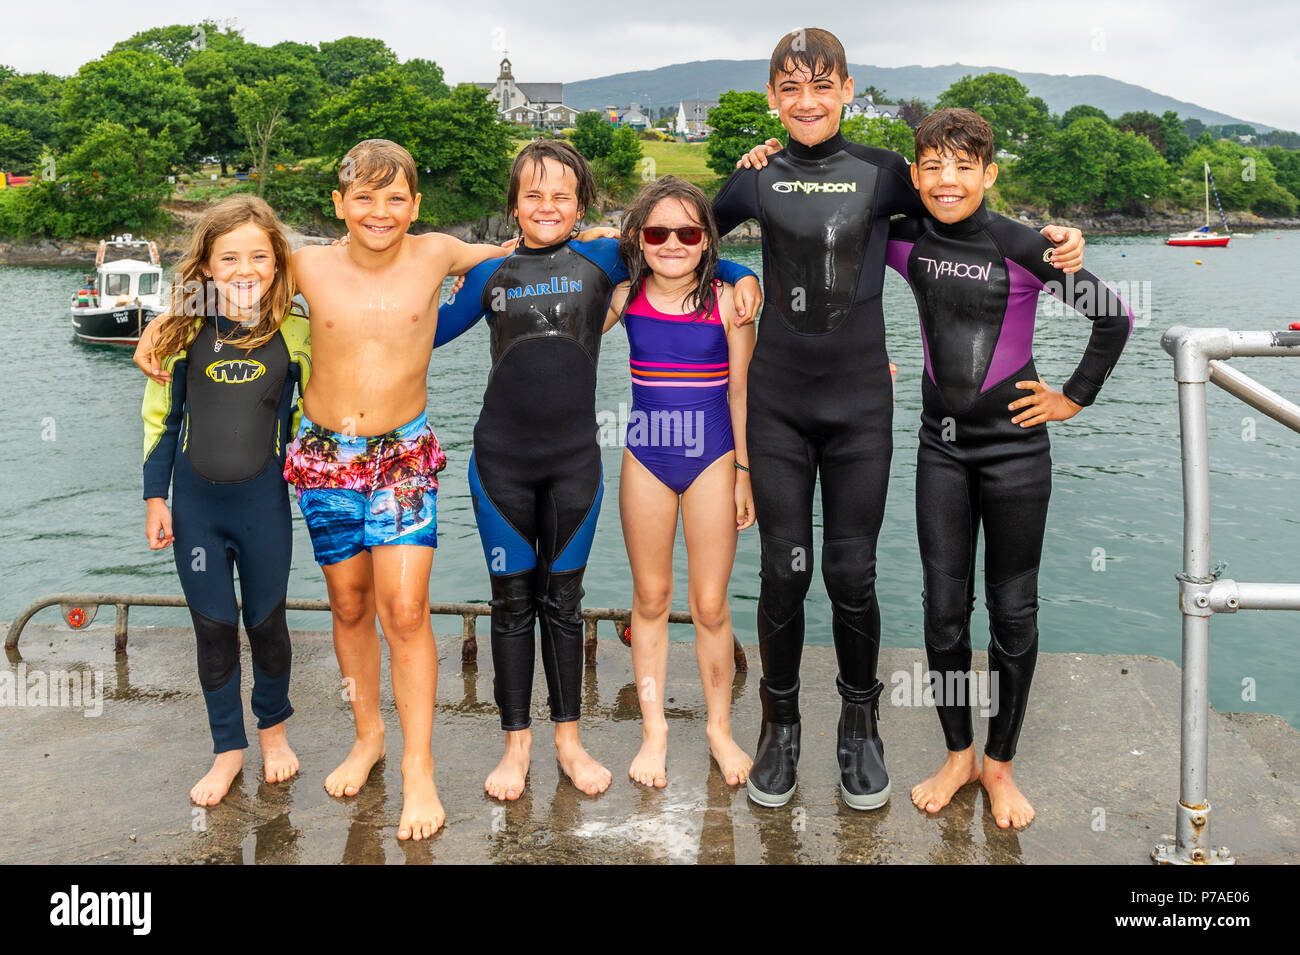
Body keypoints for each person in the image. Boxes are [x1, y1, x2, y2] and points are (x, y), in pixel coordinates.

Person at [717, 27, 1086, 810]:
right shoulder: (753, 178)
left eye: (822, 85)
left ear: (848, 90)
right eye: (790, 87)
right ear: (773, 96)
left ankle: (861, 724)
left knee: (852, 572)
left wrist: (1055, 241)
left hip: (860, 406)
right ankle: (779, 724)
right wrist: (738, 272)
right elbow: (681, 242)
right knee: (784, 571)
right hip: (778, 404)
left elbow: (960, 216)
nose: (807, 101)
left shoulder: (885, 173)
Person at [432, 144, 759, 801]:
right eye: (532, 195)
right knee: (565, 603)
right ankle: (578, 738)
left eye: (561, 196)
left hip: (646, 457)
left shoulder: (654, 276)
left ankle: (648, 736)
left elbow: (691, 269)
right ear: (514, 205)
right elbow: (435, 328)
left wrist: (748, 272)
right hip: (555, 457)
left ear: (582, 207)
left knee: (654, 603)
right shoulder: (532, 276)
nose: (546, 206)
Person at [883, 108, 1132, 827]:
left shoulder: (1025, 246)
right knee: (942, 611)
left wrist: (1072, 398)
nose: (947, 179)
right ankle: (958, 752)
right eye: (932, 166)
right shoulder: (904, 237)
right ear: (916, 176)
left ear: (989, 174)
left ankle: (1000, 764)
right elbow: (830, 226)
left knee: (1013, 613)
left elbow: (1113, 318)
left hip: (1018, 452)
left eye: (964, 165)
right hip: (941, 448)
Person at [141, 194, 310, 807]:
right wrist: (154, 498)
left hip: (265, 505)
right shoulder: (185, 329)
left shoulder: (296, 329)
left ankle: (273, 732)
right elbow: (163, 419)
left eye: (258, 256)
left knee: (267, 624)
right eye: (229, 257)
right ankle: (226, 749)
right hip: (196, 511)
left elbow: (320, 409)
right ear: (207, 267)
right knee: (212, 629)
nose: (245, 269)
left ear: (277, 261)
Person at [607, 176, 757, 789]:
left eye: (688, 232)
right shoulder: (622, 297)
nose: (673, 243)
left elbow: (741, 394)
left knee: (711, 604)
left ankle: (719, 729)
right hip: (646, 456)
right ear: (639, 239)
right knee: (649, 600)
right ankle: (655, 731)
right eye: (658, 231)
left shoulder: (730, 301)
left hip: (714, 458)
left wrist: (745, 472)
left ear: (707, 240)